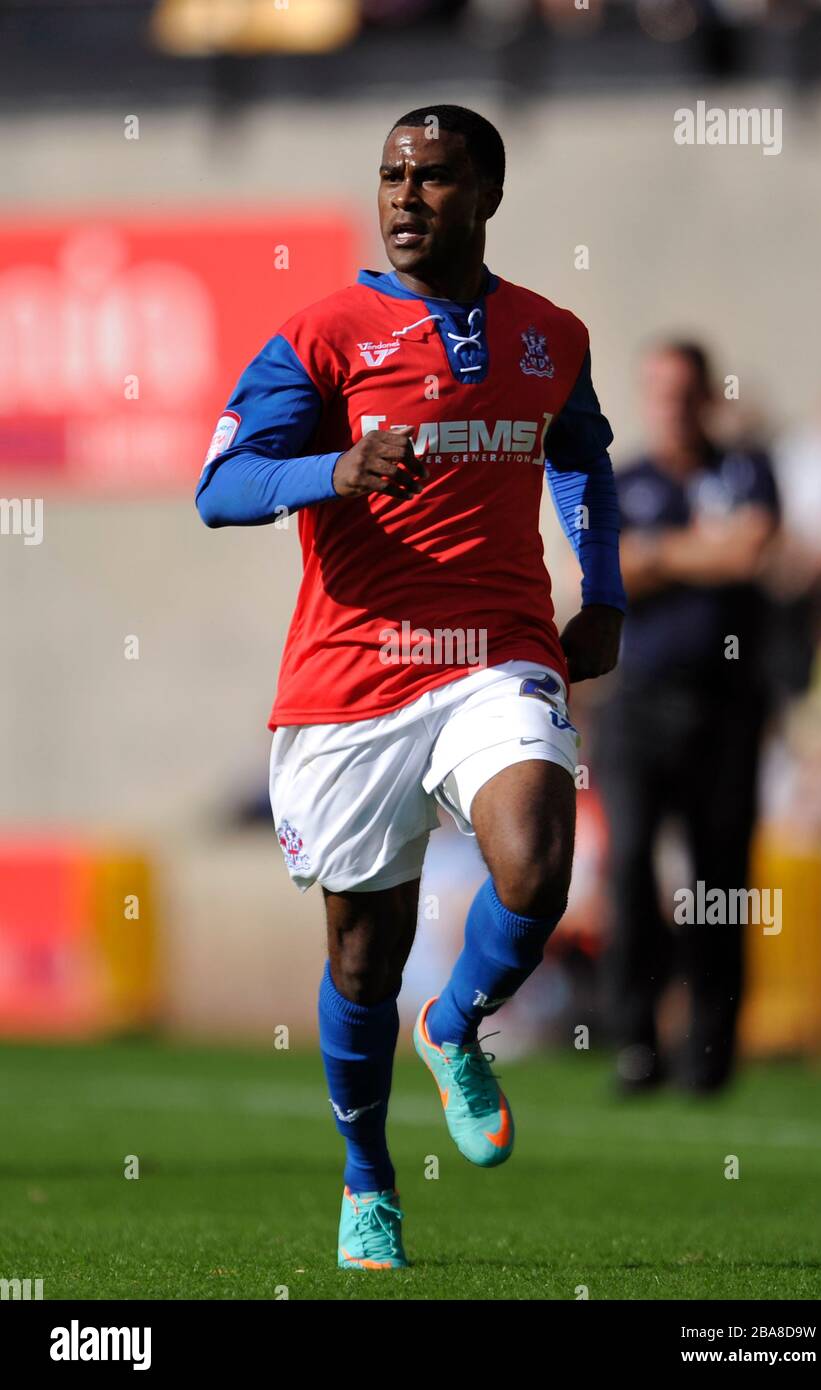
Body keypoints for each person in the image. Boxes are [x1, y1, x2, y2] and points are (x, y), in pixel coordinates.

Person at [195, 104, 625, 1268]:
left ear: (485, 191)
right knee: (357, 958)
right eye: (390, 175)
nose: (403, 198)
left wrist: (607, 592)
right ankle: (366, 1179)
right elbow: (219, 485)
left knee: (535, 860)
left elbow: (580, 455)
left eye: (432, 179)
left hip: (498, 648)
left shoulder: (549, 333)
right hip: (352, 677)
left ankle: (456, 1023)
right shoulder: (324, 332)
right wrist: (335, 466)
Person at [594, 340, 779, 1096]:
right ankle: (636, 1040)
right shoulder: (624, 478)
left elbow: (751, 551)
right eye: (658, 391)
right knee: (630, 861)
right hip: (638, 705)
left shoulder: (744, 470)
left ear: (706, 396)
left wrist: (657, 556)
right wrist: (696, 552)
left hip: (726, 707)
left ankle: (710, 1048)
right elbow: (605, 569)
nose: (671, 405)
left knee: (720, 878)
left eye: (683, 391)